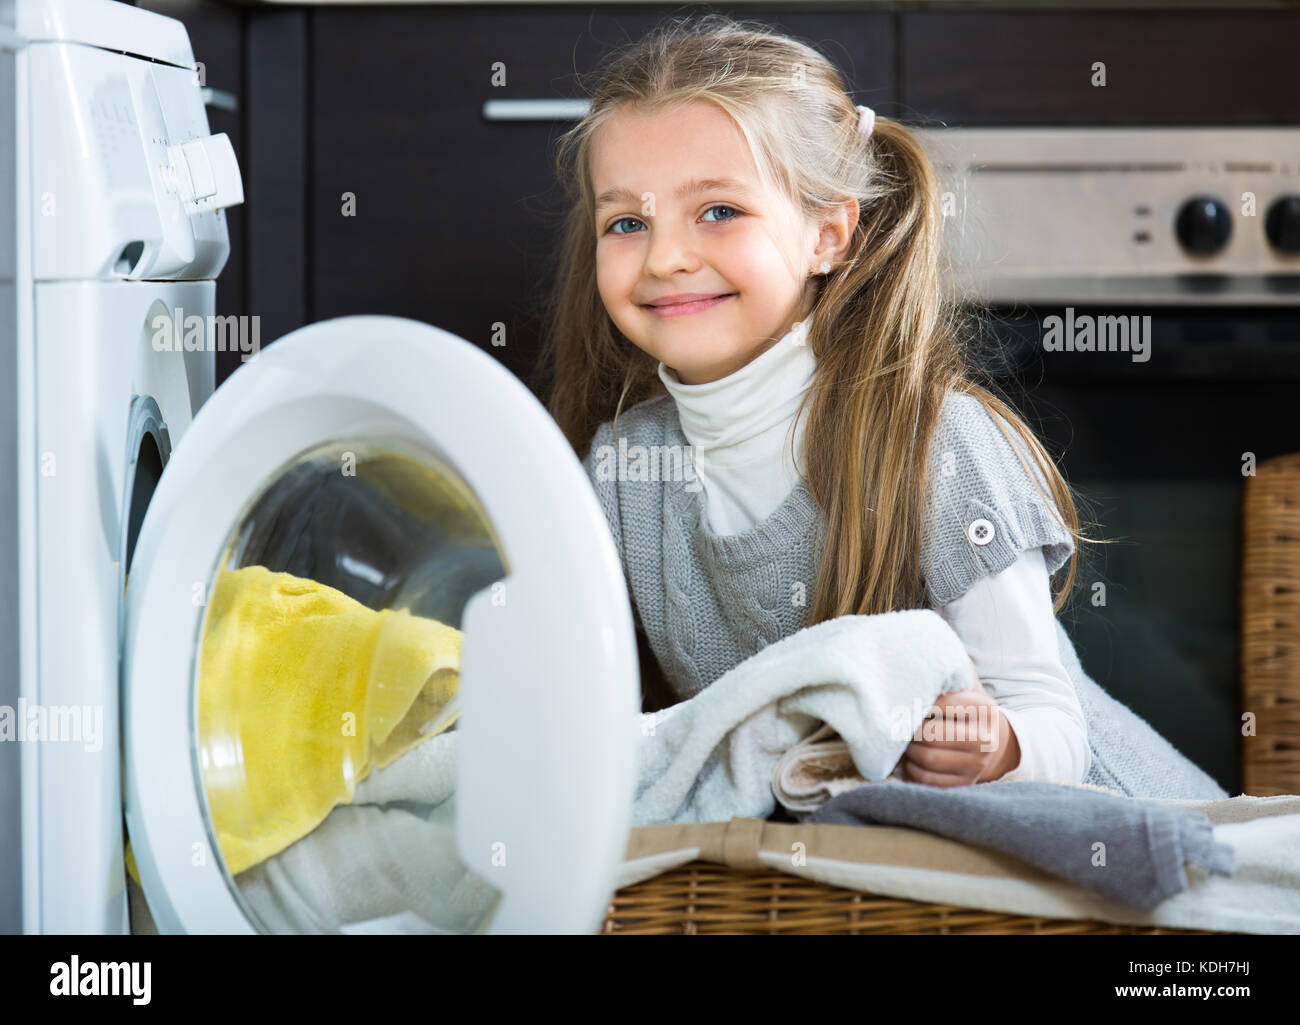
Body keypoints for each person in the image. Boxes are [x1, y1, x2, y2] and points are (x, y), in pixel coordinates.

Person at [540, 13, 1226, 799]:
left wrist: (997, 745)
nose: (665, 257)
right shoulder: (624, 471)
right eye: (627, 222)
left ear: (828, 235)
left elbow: (1053, 724)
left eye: (719, 211)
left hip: (1110, 851)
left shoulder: (935, 442)